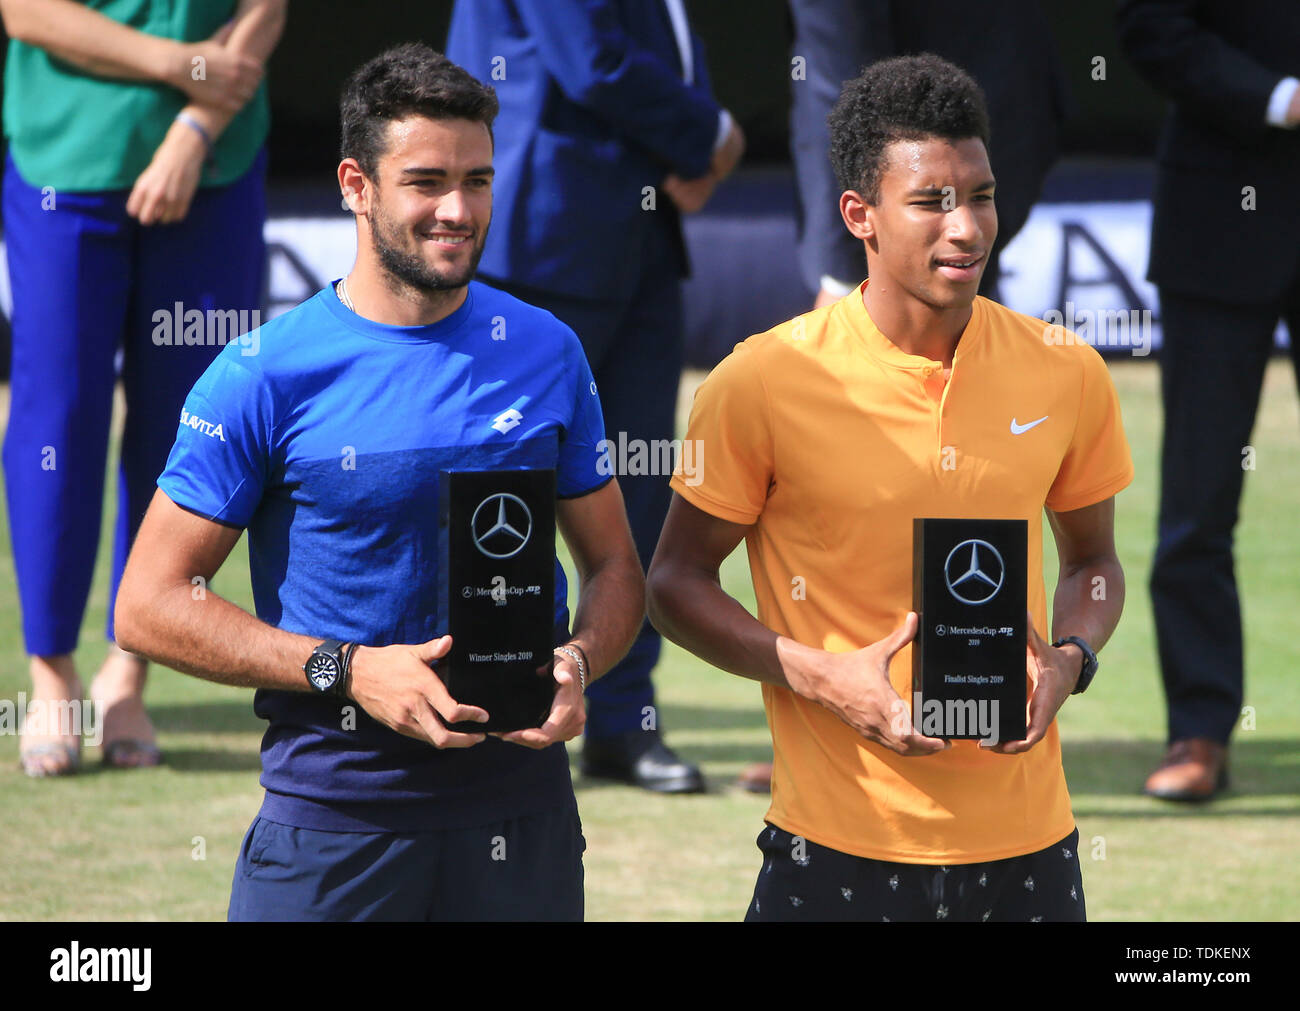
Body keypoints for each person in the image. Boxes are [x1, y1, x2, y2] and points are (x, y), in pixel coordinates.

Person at [115, 43, 645, 921]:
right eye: (427, 181)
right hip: (333, 825)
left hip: (523, 821)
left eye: (478, 180)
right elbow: (149, 602)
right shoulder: (263, 373)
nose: (458, 209)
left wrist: (580, 659)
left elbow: (618, 568)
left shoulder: (548, 351)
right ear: (355, 185)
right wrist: (346, 669)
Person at [646, 54, 1134, 921]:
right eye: (932, 201)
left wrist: (1072, 659)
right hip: (830, 848)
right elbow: (673, 585)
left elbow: (1094, 561)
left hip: (1031, 850)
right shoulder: (762, 379)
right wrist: (819, 674)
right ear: (859, 216)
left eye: (980, 195)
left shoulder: (1068, 372)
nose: (967, 228)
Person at [446, 0, 745, 793]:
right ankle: (492, 705)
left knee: (636, 489)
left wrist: (695, 141)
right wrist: (709, 137)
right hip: (548, 229)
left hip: (636, 237)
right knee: (506, 489)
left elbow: (665, 43)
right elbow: (591, 60)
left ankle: (620, 718)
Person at [1, 0, 284, 775]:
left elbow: (268, 8)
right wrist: (184, 66)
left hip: (217, 159)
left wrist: (195, 126)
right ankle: (52, 675)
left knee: (191, 425)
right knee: (57, 415)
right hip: (68, 153)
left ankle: (130, 669)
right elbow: (26, 11)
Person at [1117, 0, 1300, 802]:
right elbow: (1152, 26)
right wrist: (1281, 98)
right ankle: (1199, 729)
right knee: (1198, 497)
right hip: (1220, 214)